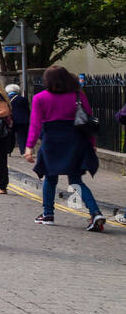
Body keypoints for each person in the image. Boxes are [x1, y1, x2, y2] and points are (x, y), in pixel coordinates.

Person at [24, 66, 107, 231]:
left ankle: (48, 214)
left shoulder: (40, 98)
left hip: (51, 142)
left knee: (50, 178)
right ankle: (95, 212)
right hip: (75, 141)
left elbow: (35, 124)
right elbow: (88, 121)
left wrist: (29, 147)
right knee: (76, 180)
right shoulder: (78, 95)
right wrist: (92, 144)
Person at [5, 84, 30, 157]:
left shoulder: (6, 99)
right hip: (23, 120)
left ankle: (8, 151)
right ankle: (23, 152)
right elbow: (27, 110)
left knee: (10, 136)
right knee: (22, 136)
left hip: (11, 121)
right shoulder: (23, 99)